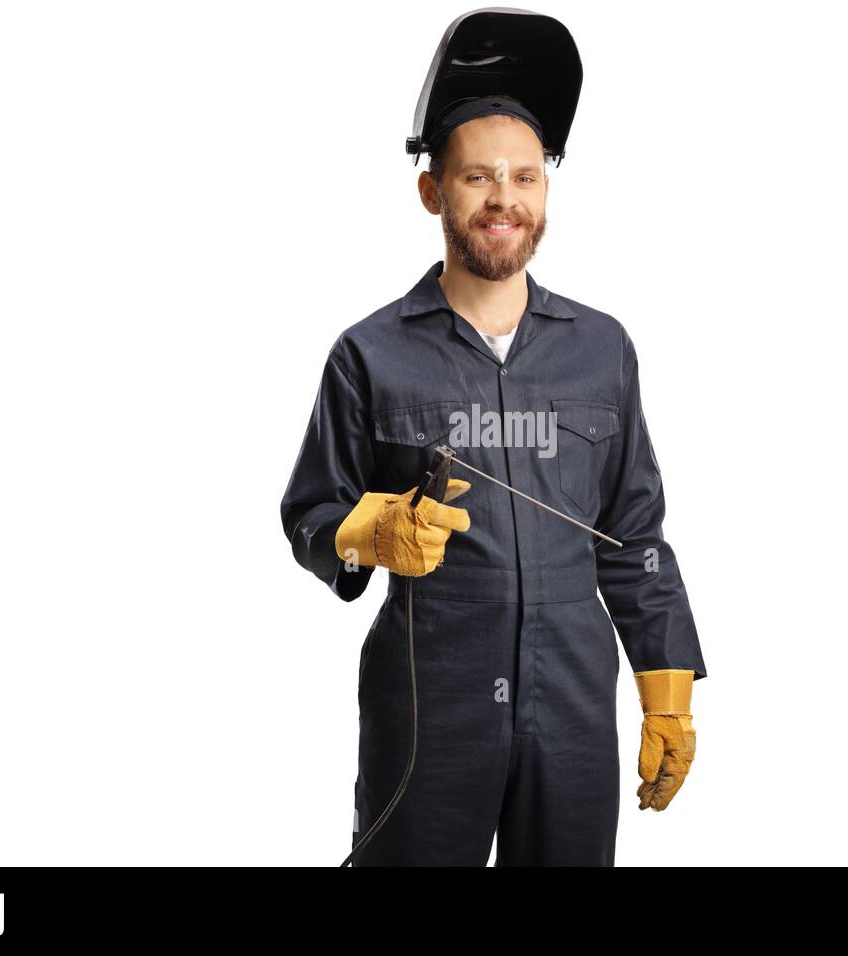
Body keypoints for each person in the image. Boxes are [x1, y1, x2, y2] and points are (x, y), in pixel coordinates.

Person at [279, 11, 706, 867]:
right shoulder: (369, 354)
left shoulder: (603, 350)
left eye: (524, 177)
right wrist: (367, 533)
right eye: (478, 177)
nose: (504, 197)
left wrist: (667, 689)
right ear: (433, 192)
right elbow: (310, 514)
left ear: (545, 192)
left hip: (572, 711)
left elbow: (634, 537)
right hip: (428, 711)